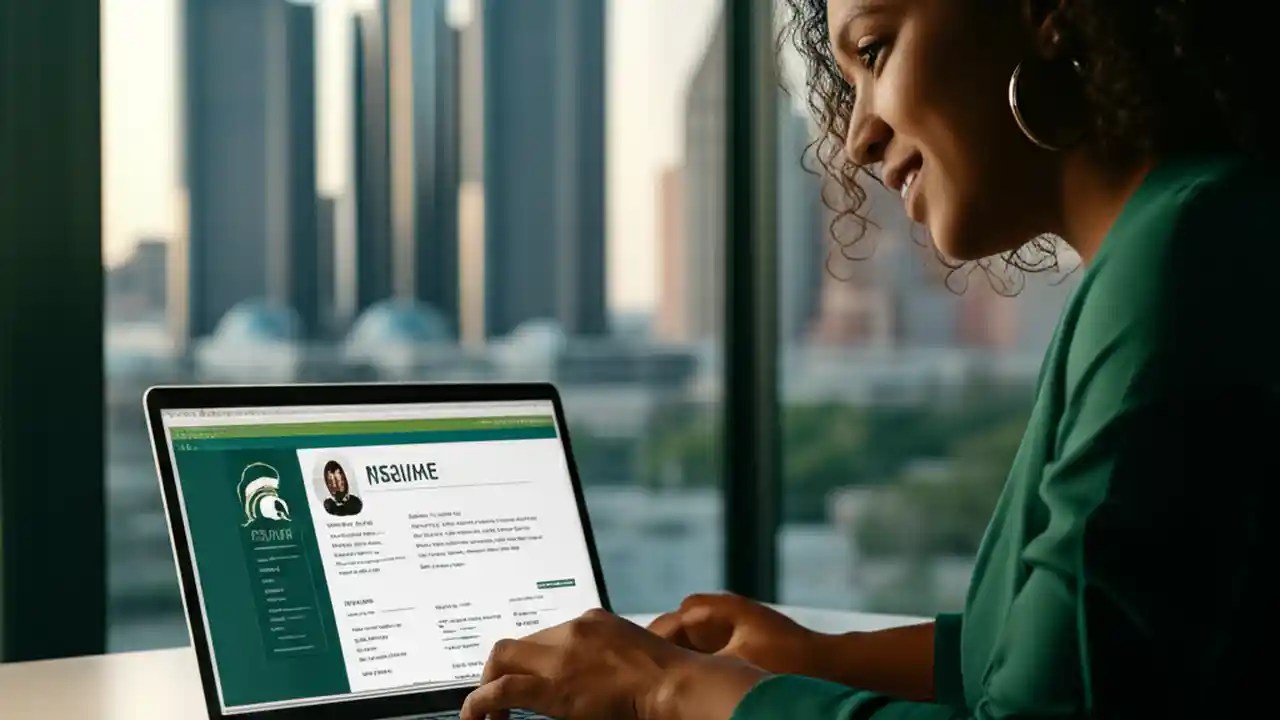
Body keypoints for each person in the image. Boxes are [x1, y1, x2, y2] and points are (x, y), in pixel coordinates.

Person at [460, 0, 1279, 718]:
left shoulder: (1181, 258)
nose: (856, 138)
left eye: (876, 50)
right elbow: (1085, 655)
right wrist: (821, 660)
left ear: (1046, 9)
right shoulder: (1184, 234)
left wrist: (666, 691)